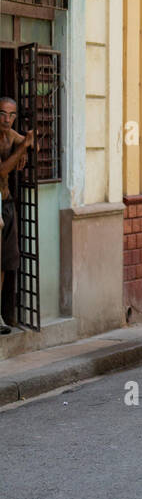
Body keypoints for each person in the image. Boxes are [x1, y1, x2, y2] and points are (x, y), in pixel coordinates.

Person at [0, 97, 33, 334]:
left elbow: (32, 142)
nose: (7, 120)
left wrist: (27, 150)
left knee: (4, 262)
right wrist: (23, 148)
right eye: (2, 114)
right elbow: (1, 170)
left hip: (7, 203)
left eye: (12, 115)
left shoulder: (10, 135)